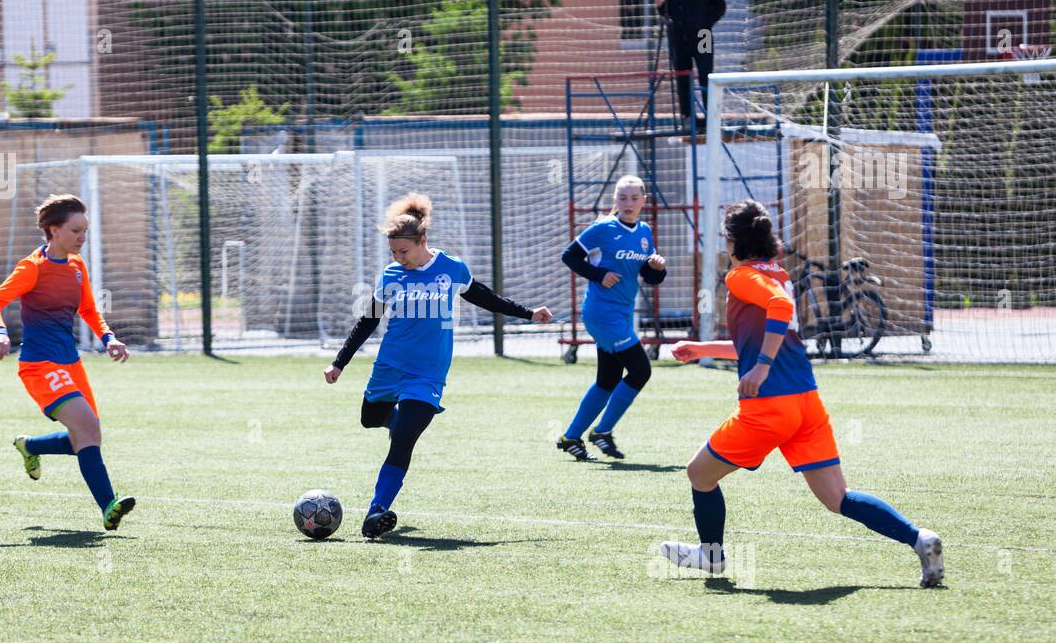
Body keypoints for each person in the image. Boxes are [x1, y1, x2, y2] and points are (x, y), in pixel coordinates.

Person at [661, 200, 944, 587]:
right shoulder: (778, 274)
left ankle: (711, 557)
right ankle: (918, 538)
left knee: (699, 474)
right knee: (837, 498)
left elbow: (775, 315)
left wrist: (760, 367)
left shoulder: (740, 276)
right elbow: (766, 334)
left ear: (732, 241)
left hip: (769, 407)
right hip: (806, 403)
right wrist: (702, 348)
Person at [325, 193, 552, 539]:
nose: (399, 258)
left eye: (404, 252)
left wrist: (528, 313)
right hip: (389, 367)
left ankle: (377, 511)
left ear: (422, 242)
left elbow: (485, 297)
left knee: (403, 440)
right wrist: (339, 363)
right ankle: (395, 420)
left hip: (427, 374)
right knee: (370, 418)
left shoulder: (451, 269)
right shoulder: (390, 276)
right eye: (393, 253)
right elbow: (368, 321)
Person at [0, 194, 137, 531]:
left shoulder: (77, 267)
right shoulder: (32, 268)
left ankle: (29, 445)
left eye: (84, 231)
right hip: (39, 365)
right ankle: (109, 506)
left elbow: (88, 311)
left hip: (71, 363)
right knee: (85, 428)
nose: (82, 237)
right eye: (75, 230)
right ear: (53, 230)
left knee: (88, 435)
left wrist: (109, 338)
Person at [557, 175, 667, 461]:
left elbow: (647, 276)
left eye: (634, 198)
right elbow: (569, 256)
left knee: (608, 379)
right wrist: (599, 274)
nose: (628, 204)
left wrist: (657, 268)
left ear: (644, 200)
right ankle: (602, 431)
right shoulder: (602, 228)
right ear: (614, 201)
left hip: (621, 313)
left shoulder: (644, 232)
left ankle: (571, 437)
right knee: (641, 370)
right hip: (601, 313)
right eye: (622, 198)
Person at [655, 0, 726, 131]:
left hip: (703, 34)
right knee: (683, 75)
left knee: (706, 74)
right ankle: (688, 117)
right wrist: (660, 7)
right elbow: (665, 10)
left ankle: (711, 116)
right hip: (680, 35)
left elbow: (720, 6)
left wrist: (706, 23)